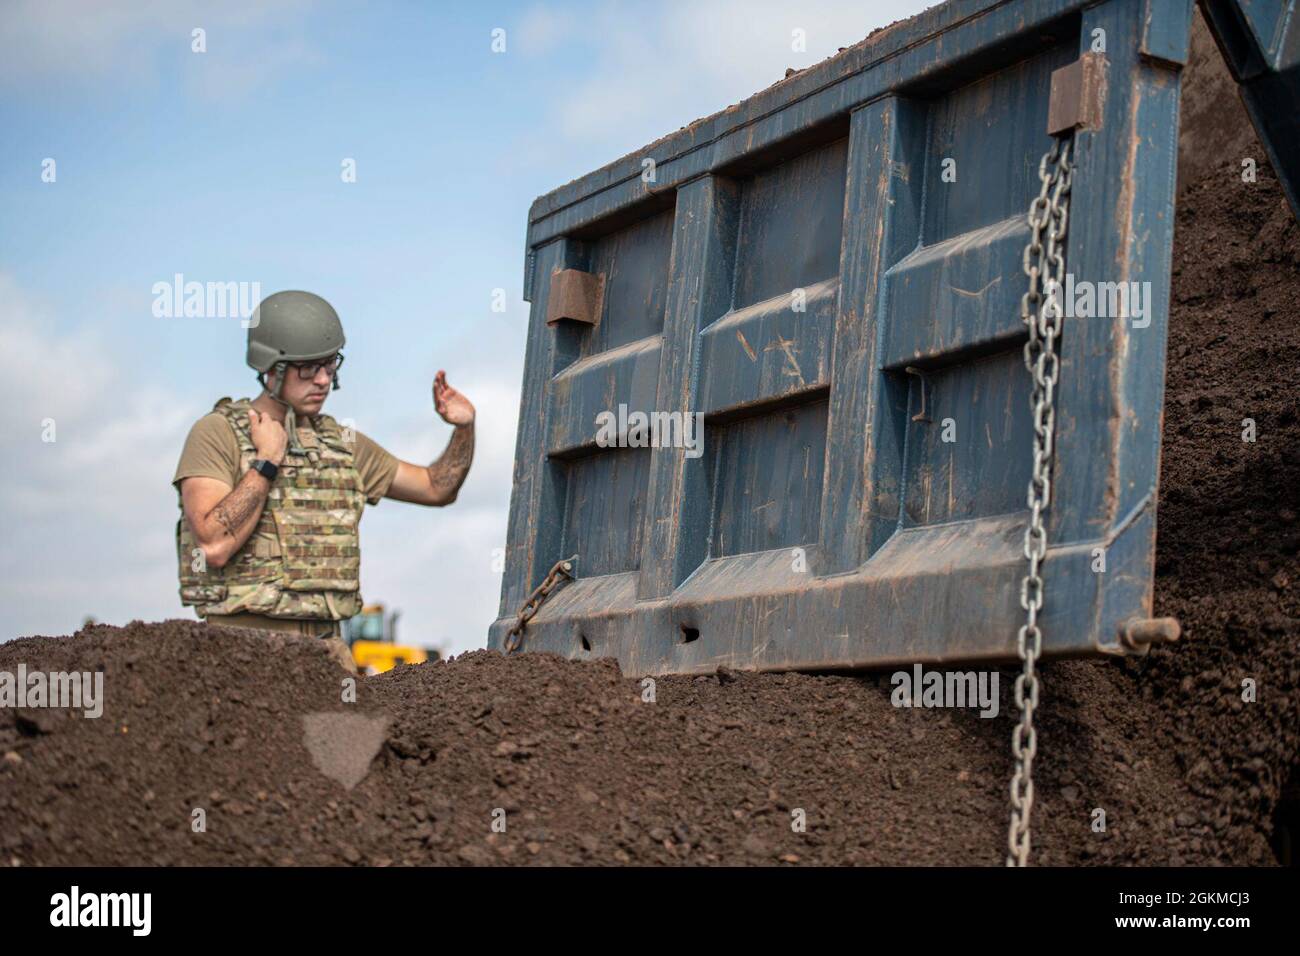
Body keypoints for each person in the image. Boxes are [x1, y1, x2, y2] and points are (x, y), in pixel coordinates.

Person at [172, 290, 474, 670]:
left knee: (351, 731)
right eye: (308, 368)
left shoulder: (341, 444)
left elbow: (436, 488)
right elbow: (213, 545)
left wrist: (464, 430)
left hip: (328, 657)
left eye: (330, 367)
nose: (322, 380)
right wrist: (267, 462)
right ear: (272, 367)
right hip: (242, 653)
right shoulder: (218, 434)